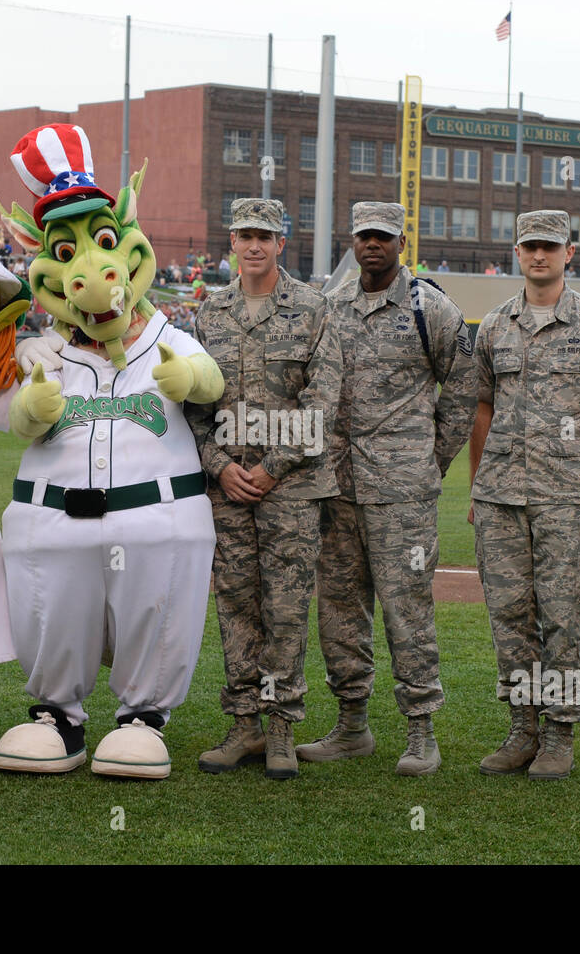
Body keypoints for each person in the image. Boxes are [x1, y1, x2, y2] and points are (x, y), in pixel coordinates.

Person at [302, 201, 475, 776]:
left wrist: (430, 460)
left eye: (384, 237)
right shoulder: (331, 308)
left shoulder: (433, 309)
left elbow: (463, 390)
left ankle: (421, 731)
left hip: (402, 493)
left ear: (402, 242)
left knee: (407, 610)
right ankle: (352, 724)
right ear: (351, 242)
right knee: (340, 611)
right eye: (363, 236)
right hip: (338, 489)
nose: (372, 245)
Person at [469, 210, 580, 780]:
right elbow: (482, 409)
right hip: (501, 497)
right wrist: (477, 487)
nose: (538, 255)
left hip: (570, 497)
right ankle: (522, 729)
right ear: (516, 252)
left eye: (549, 246)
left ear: (569, 254)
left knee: (565, 618)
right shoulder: (493, 325)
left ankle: (560, 735)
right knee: (510, 616)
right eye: (528, 246)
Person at [187, 198, 341, 781]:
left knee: (284, 606)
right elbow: (193, 408)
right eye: (245, 235)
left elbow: (322, 401)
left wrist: (272, 467)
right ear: (231, 241)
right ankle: (244, 725)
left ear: (282, 243)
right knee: (235, 603)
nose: (254, 245)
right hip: (228, 488)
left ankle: (280, 727)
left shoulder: (312, 308)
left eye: (265, 236)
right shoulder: (209, 315)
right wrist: (220, 466)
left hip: (292, 488)